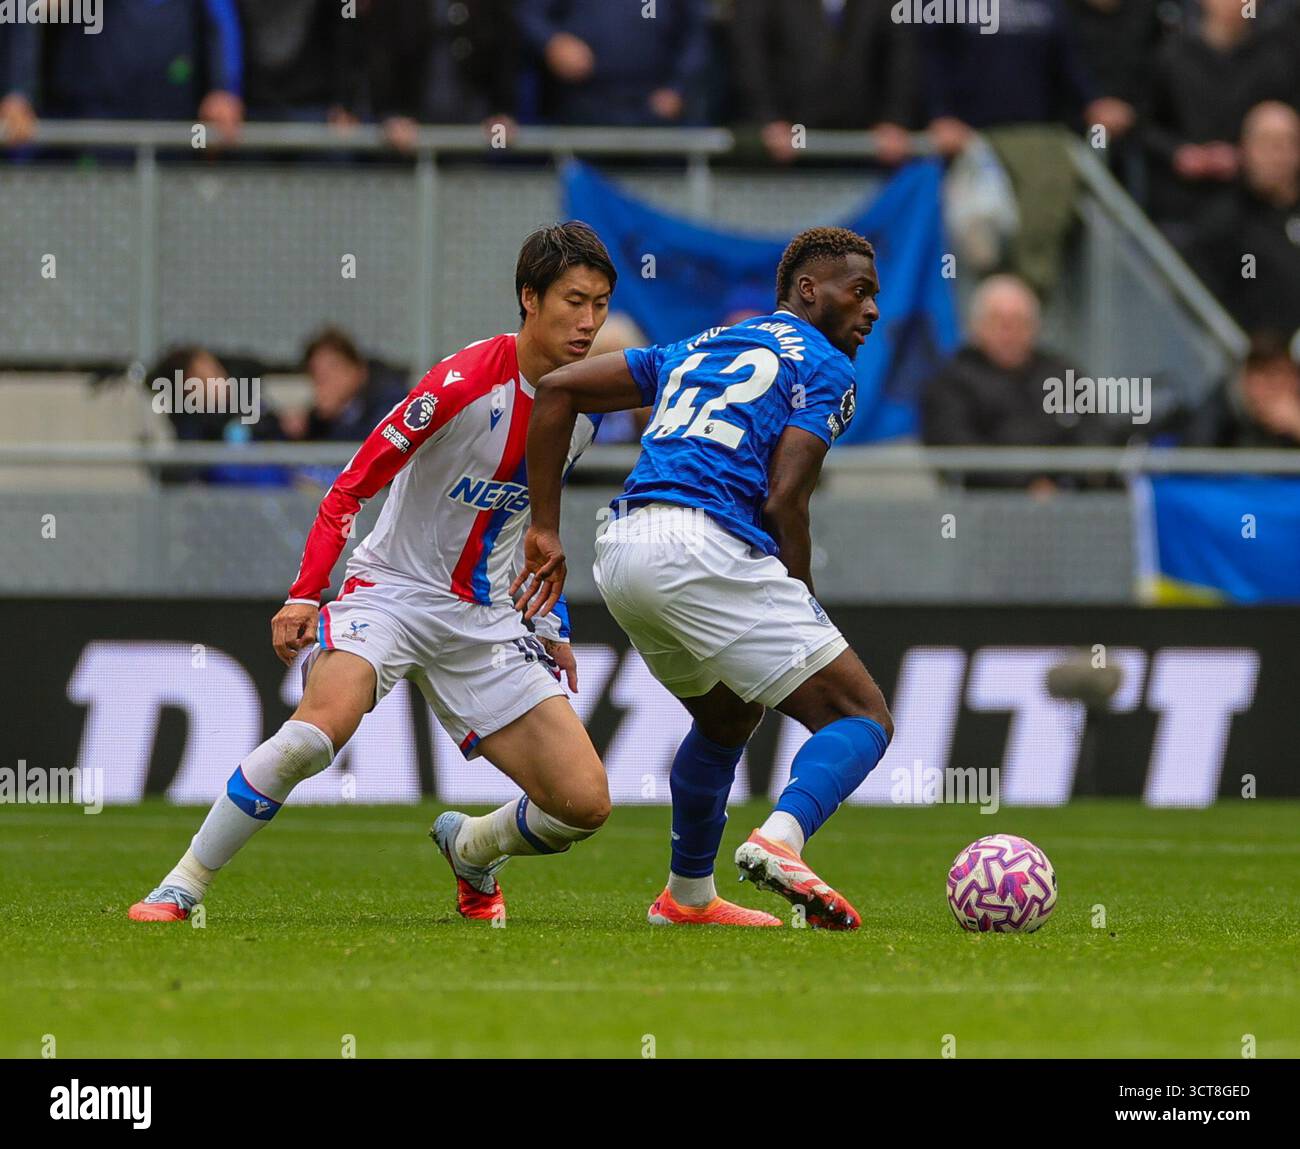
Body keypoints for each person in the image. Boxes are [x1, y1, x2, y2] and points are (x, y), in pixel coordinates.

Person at [128, 222, 617, 925]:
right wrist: (305, 590)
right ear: (529, 298)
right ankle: (182, 884)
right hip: (389, 596)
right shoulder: (458, 384)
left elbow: (531, 528)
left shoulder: (580, 413)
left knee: (584, 803)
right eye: (575, 300)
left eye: (600, 304)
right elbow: (349, 487)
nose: (589, 321)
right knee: (312, 736)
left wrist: (547, 622)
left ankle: (473, 845)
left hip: (483, 621)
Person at [513, 227, 894, 930]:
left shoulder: (700, 343)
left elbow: (558, 389)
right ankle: (782, 838)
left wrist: (543, 526)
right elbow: (786, 499)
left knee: (726, 715)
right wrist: (801, 590)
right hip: (701, 545)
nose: (872, 309)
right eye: (860, 291)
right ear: (808, 291)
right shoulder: (827, 364)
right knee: (861, 716)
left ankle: (685, 897)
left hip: (624, 547)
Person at [919, 274, 1088, 493]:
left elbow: (1093, 437)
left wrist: (1061, 482)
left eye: (1020, 322)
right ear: (976, 326)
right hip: (983, 512)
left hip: (1065, 509)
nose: (1010, 332)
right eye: (998, 322)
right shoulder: (950, 383)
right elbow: (956, 450)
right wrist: (1026, 484)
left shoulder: (1063, 375)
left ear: (1036, 327)